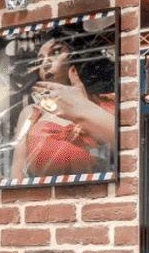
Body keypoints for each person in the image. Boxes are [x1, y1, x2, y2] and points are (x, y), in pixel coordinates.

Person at [10, 30, 116, 178]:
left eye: (56, 52)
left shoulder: (106, 103)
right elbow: (17, 175)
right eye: (40, 61)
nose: (45, 64)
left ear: (75, 57)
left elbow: (128, 146)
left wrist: (82, 108)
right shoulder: (31, 114)